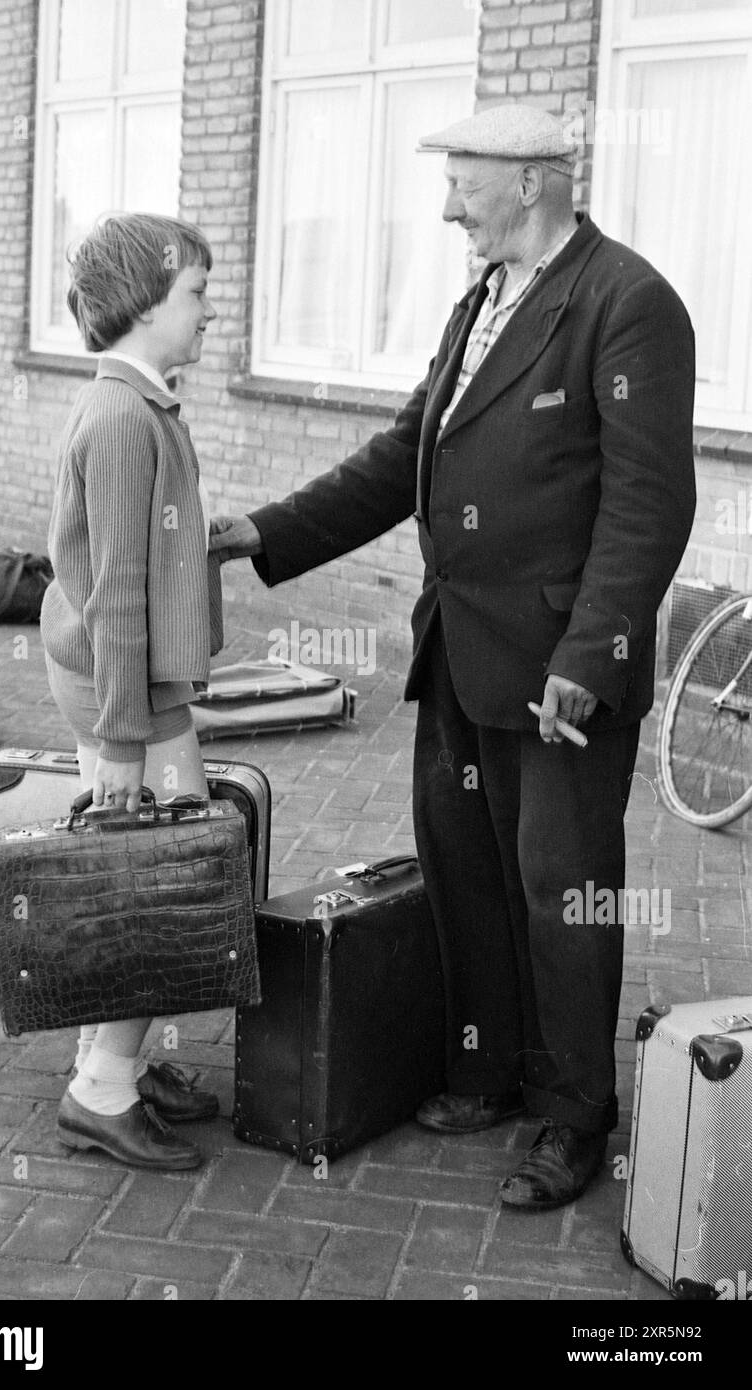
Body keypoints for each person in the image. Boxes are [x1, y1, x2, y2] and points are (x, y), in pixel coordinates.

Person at [211, 104, 697, 1209]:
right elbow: (403, 455)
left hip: (561, 671)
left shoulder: (627, 304)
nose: (444, 207)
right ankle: (486, 1064)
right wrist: (268, 532)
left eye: (461, 184)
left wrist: (589, 651)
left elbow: (649, 501)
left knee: (561, 889)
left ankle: (573, 1113)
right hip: (460, 649)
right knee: (465, 870)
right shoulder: (481, 300)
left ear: (528, 182)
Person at [40, 213, 223, 1170]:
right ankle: (101, 1090)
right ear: (146, 304)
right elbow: (115, 600)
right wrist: (120, 742)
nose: (208, 309)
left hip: (136, 690)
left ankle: (115, 1056)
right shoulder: (120, 419)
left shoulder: (138, 402)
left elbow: (142, 554)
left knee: (148, 869)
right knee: (159, 881)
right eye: (195, 292)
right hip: (127, 695)